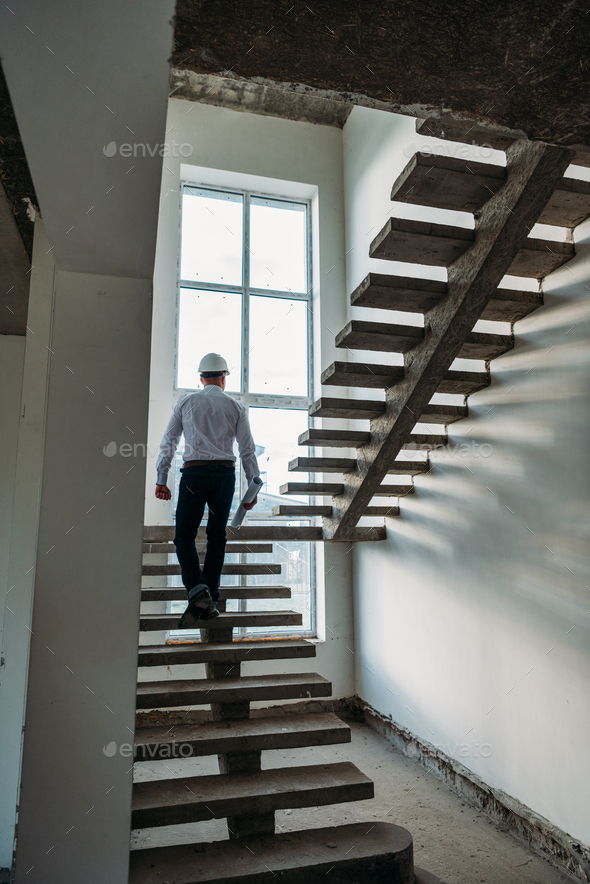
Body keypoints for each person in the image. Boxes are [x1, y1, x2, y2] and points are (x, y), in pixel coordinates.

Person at [155, 353, 260, 628]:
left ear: (201, 379)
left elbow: (168, 442)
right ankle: (209, 599)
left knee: (184, 535)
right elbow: (247, 450)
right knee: (216, 536)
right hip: (224, 476)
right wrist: (252, 489)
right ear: (224, 378)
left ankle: (196, 589)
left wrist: (161, 478)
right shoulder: (237, 407)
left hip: (194, 474)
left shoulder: (186, 403)